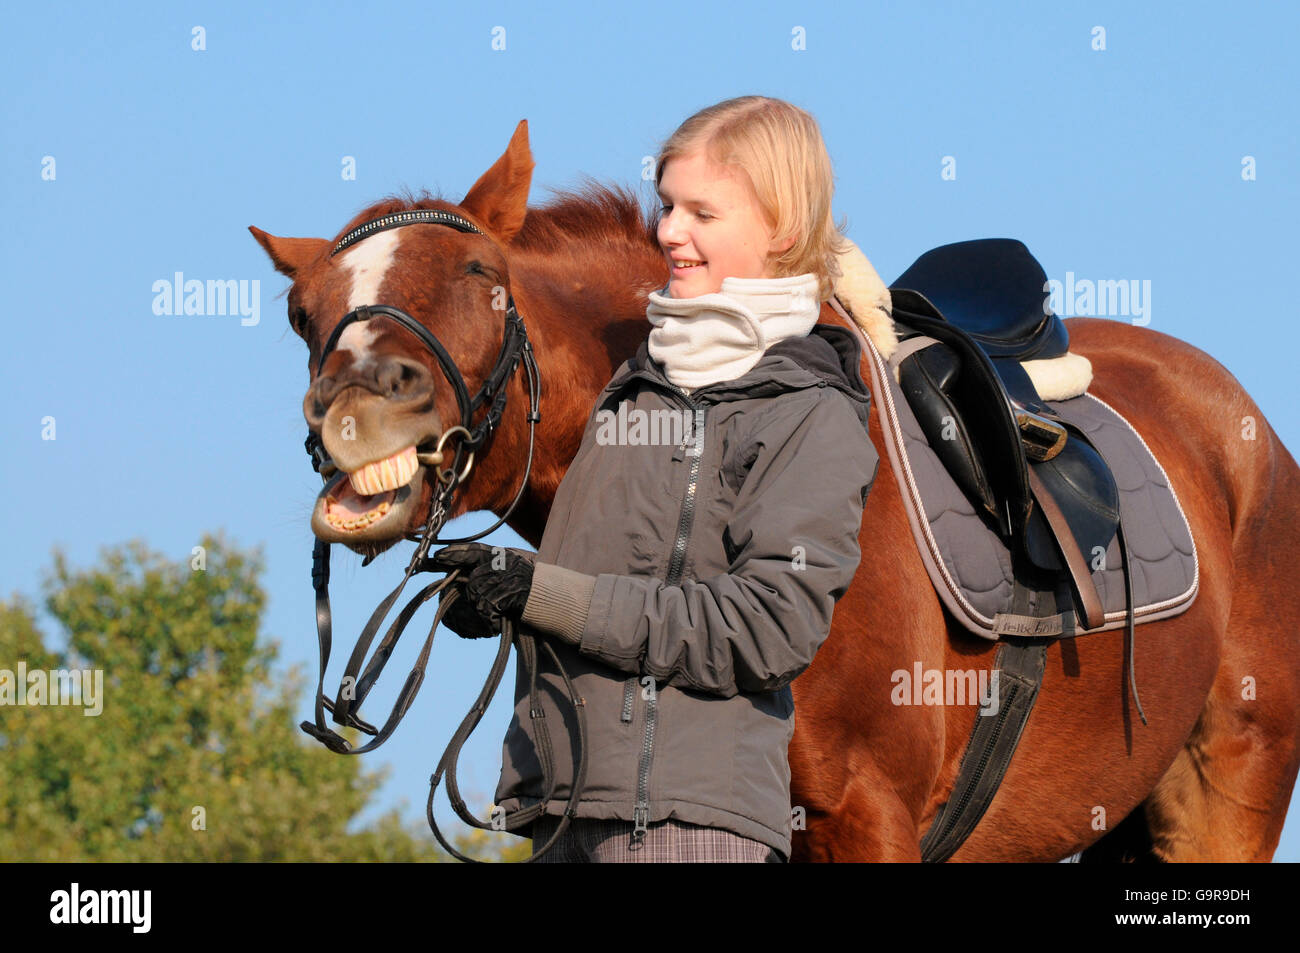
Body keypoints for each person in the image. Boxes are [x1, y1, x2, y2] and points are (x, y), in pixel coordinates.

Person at [431, 95, 879, 863]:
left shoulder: (810, 411)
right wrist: (503, 597)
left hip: (689, 827)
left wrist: (546, 593)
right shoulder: (635, 390)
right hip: (563, 812)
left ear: (786, 230)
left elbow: (767, 627)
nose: (669, 230)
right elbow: (613, 589)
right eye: (668, 203)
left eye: (703, 212)